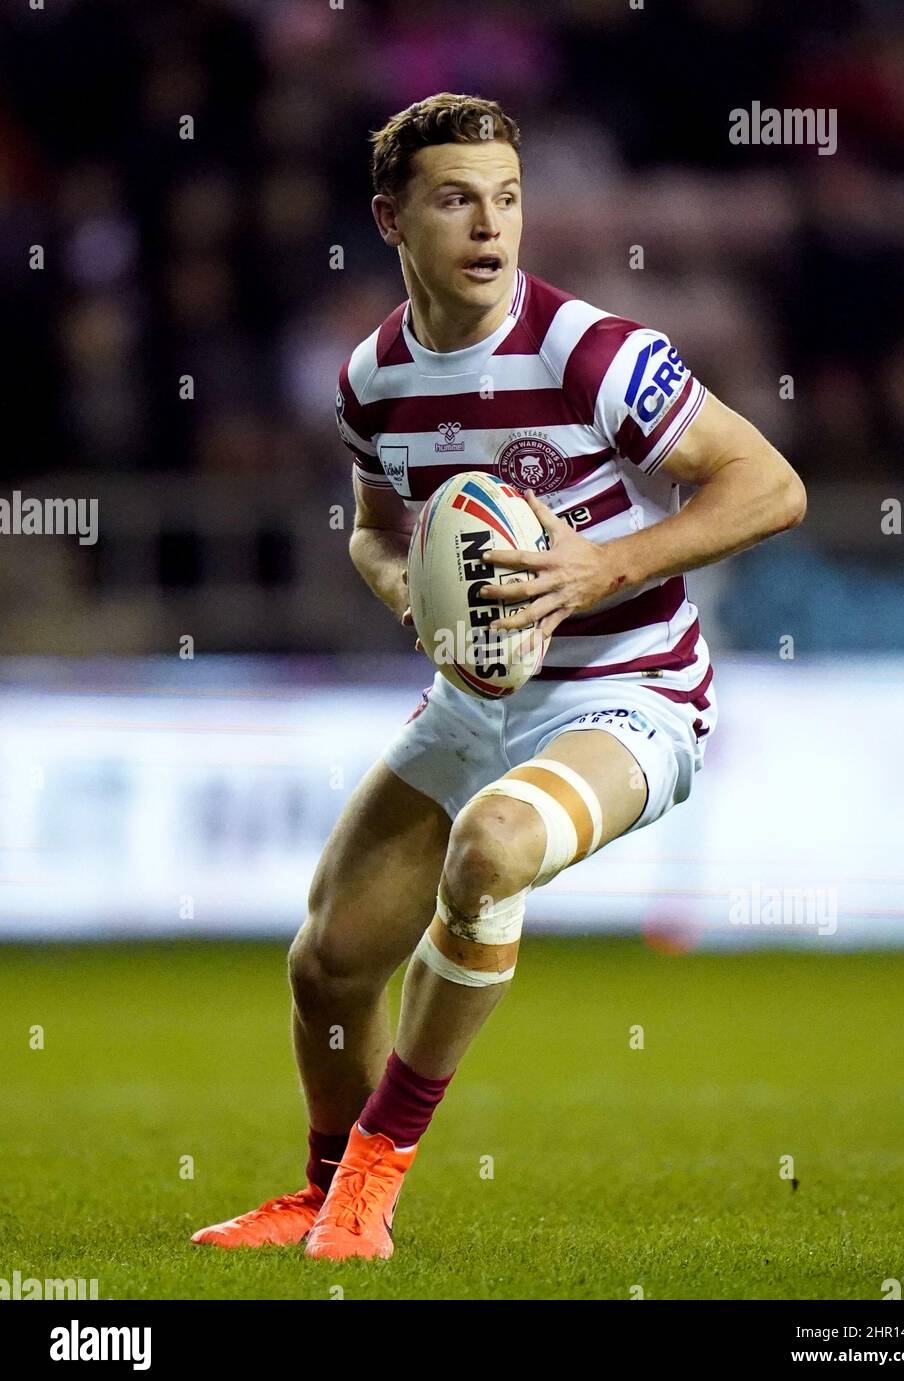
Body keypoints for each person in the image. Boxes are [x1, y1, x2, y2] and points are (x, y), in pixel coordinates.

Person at [191, 91, 805, 1261]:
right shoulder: (371, 378)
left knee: (494, 847)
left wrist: (604, 565)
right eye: (456, 199)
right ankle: (323, 1199)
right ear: (390, 218)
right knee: (327, 961)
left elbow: (770, 484)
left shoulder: (594, 353)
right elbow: (376, 529)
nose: (491, 225)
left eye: (508, 199)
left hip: (630, 690)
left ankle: (376, 1175)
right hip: (480, 695)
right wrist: (404, 590)